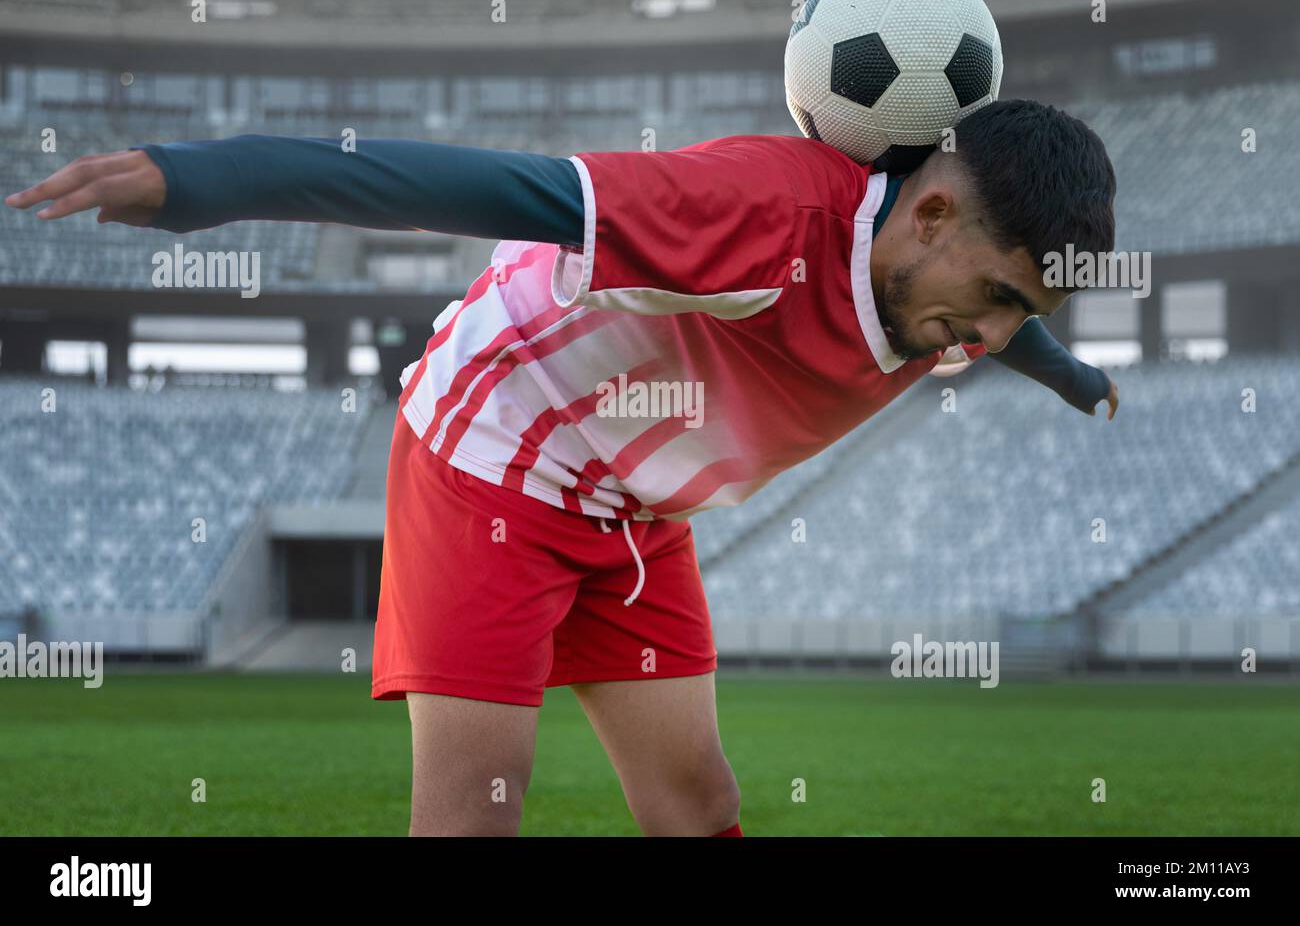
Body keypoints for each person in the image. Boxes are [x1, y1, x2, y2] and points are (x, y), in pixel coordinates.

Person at [6, 98, 1119, 836]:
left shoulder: (938, 289)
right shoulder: (753, 212)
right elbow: (475, 185)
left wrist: (1066, 370)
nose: (987, 334)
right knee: (478, 807)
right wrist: (208, 179)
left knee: (695, 803)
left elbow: (1009, 323)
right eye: (997, 300)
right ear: (926, 213)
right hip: (495, 455)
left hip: (633, 508)